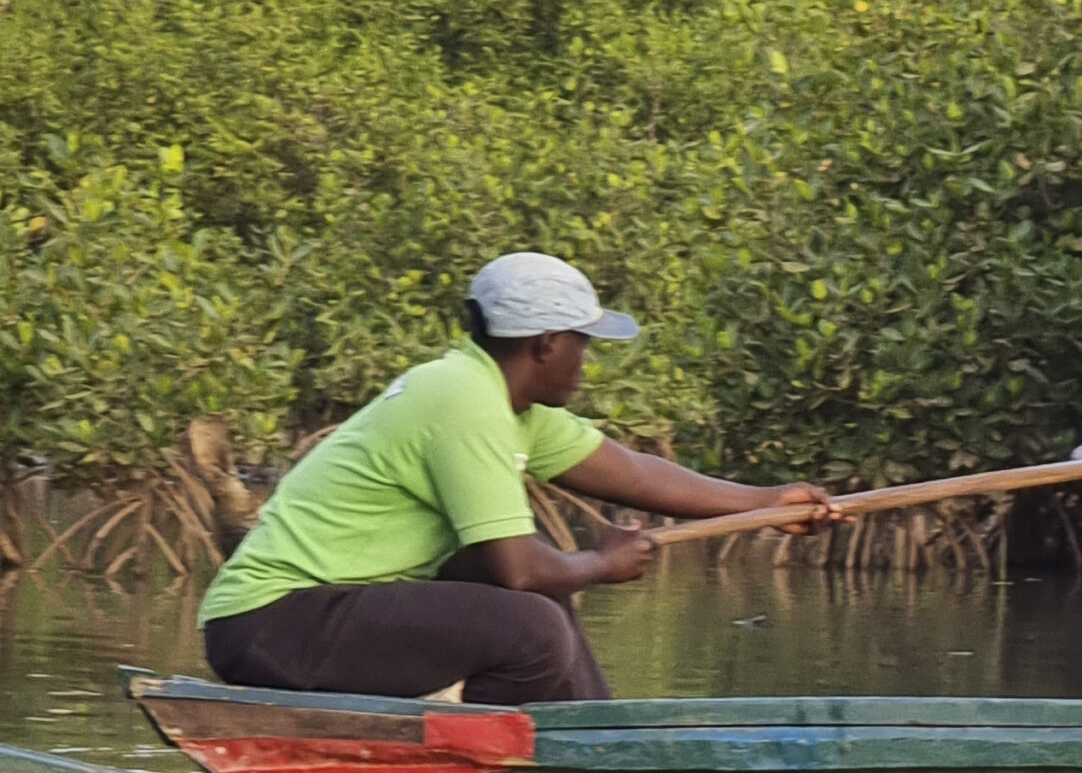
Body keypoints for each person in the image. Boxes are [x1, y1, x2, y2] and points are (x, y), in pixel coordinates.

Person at [198, 252, 832, 706]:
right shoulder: (463, 399)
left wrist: (770, 502)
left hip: (319, 616)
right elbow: (518, 569)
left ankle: (592, 739)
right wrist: (603, 563)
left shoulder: (513, 407)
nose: (588, 360)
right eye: (584, 342)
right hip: (271, 623)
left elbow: (634, 472)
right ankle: (469, 759)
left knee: (538, 604)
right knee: (533, 625)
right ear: (548, 344)